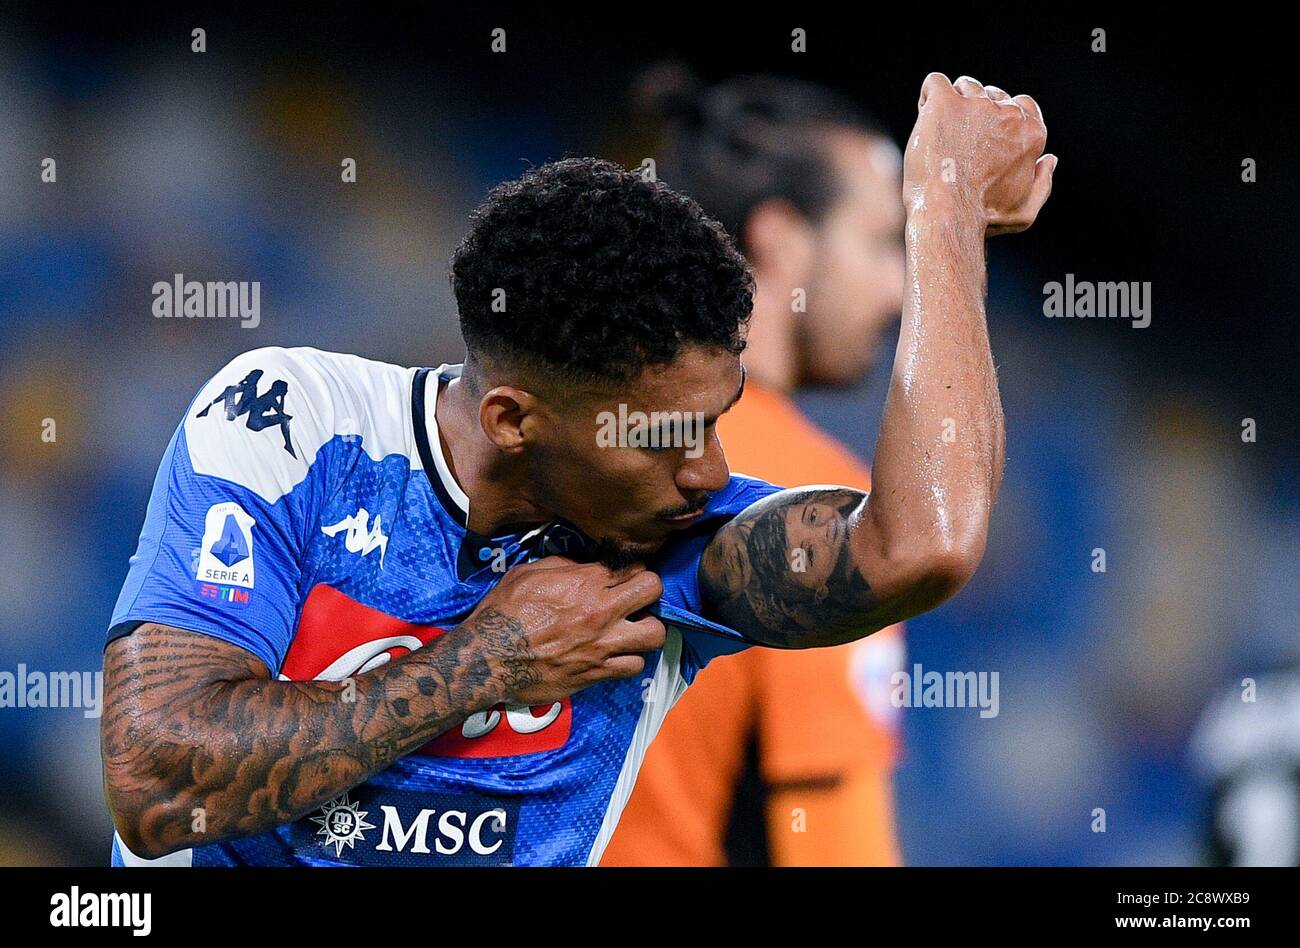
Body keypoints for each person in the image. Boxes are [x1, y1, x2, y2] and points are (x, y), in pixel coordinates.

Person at [101, 73, 1055, 866]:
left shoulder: (670, 553)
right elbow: (153, 786)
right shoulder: (297, 426)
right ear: (516, 420)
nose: (711, 472)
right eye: (669, 436)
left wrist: (945, 216)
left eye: (719, 423)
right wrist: (487, 662)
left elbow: (923, 545)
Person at [603, 72, 909, 866]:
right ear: (779, 238)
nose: (898, 291)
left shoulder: (546, 435)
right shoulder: (811, 501)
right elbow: (838, 850)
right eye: (881, 243)